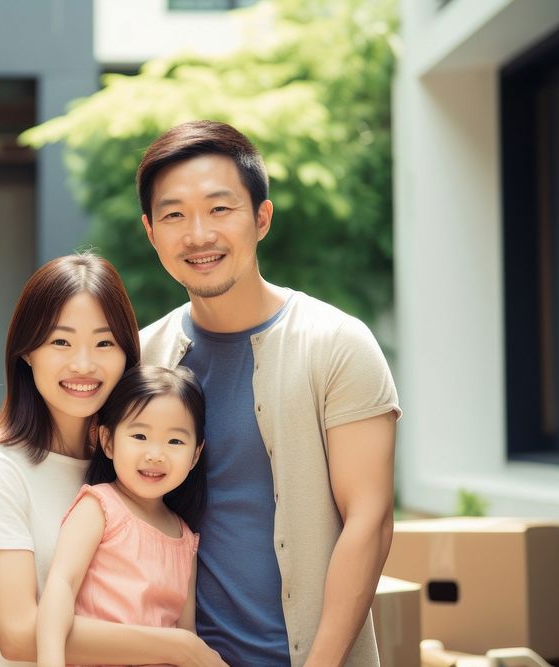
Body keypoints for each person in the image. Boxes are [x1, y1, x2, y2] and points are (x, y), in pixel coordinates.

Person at [136, 120, 401, 667]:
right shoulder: (141, 359)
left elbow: (369, 520)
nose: (198, 234)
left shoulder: (335, 343)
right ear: (150, 231)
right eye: (174, 214)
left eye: (219, 208)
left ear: (261, 218)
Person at [0, 253, 227, 667]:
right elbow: (16, 635)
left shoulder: (134, 465)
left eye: (104, 343)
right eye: (60, 341)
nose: (83, 364)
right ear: (27, 352)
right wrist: (178, 646)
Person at [36, 365, 208, 667]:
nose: (155, 454)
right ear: (108, 441)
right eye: (140, 435)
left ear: (195, 455)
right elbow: (61, 584)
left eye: (175, 441)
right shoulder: (99, 506)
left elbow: (186, 634)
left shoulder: (185, 538)